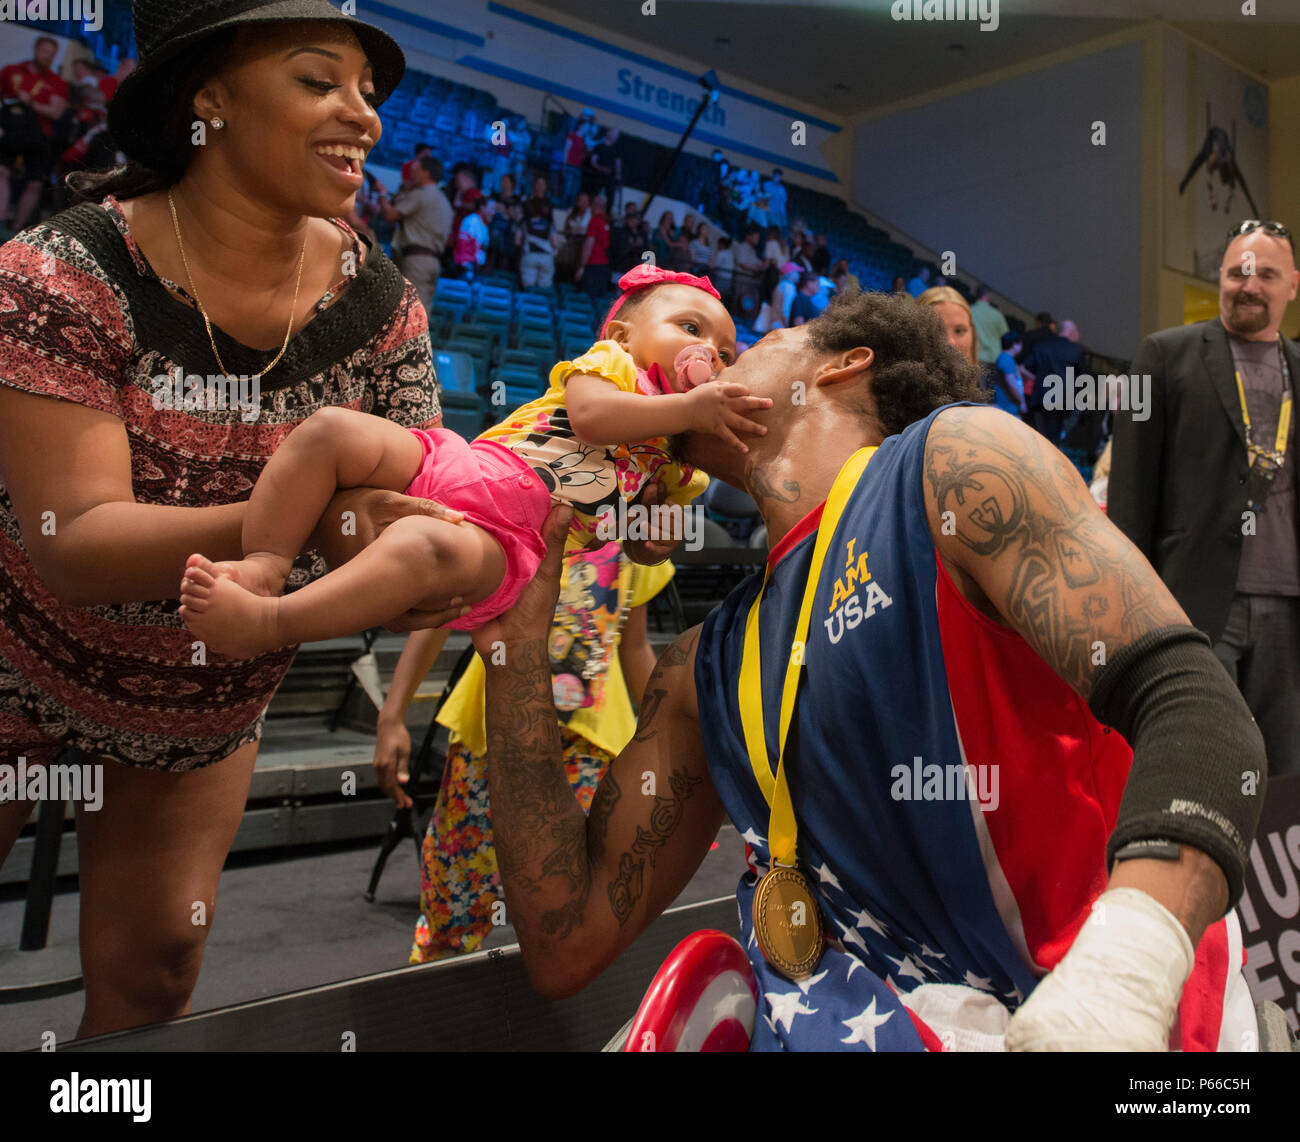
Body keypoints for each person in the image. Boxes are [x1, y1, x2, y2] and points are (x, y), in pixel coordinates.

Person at [469, 287, 1267, 1053]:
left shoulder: (954, 466)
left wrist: (1124, 974)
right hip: (880, 1022)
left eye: (744, 346)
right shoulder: (697, 669)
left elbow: (1196, 709)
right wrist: (513, 648)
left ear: (839, 367)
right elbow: (565, 941)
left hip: (1098, 1005)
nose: (711, 361)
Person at [0, 0, 465, 1039]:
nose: (365, 116)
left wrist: (410, 543)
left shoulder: (382, 304)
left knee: (157, 970)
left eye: (370, 93)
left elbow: (394, 526)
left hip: (199, 687)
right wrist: (306, 512)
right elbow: (75, 542)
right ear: (207, 97)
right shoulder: (59, 272)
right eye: (318, 81)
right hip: (13, 649)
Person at [178, 266, 765, 657]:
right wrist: (689, 407)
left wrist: (652, 535)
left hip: (510, 542)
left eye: (723, 352)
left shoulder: (678, 461)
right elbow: (592, 420)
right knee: (333, 430)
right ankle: (264, 563)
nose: (707, 354)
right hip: (464, 465)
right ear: (622, 332)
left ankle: (272, 624)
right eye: (690, 329)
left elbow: (639, 541)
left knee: (422, 548)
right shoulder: (610, 367)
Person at [373, 543, 674, 961]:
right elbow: (439, 617)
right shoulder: (510, 509)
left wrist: (666, 737)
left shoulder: (633, 536)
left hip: (589, 745)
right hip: (491, 732)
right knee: (457, 884)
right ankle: (438, 992)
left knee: (583, 898)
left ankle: (574, 1003)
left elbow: (633, 645)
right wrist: (392, 715)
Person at [1110, 219, 1300, 777]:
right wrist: (1131, 608)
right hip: (1190, 602)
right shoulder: (1164, 355)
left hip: (1289, 607)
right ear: (1219, 277)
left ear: (1292, 284)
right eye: (1238, 271)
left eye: (1267, 274)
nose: (1250, 284)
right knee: (1200, 766)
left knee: (1285, 774)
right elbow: (1130, 494)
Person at [0, 36, 69, 232]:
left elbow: (56, 112)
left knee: (35, 184)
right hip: (12, 131)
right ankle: (1, 221)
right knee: (2, 172)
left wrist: (31, 102)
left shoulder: (57, 82)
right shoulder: (12, 71)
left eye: (51, 54)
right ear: (36, 49)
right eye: (44, 51)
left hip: (40, 137)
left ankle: (16, 228)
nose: (47, 56)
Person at [374, 154, 452, 309]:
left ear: (426, 173)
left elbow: (391, 215)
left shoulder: (422, 194)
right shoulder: (444, 201)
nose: (412, 174)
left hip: (416, 261)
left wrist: (382, 193)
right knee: (421, 310)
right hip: (433, 261)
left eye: (415, 170)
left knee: (409, 310)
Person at [1022, 315, 1083, 443]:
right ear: (1071, 332)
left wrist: (1038, 379)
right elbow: (1082, 377)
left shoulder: (1042, 347)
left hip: (1040, 397)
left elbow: (1025, 367)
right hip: (1062, 399)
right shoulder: (1076, 350)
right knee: (1054, 438)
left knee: (1039, 436)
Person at [520, 178, 560, 289]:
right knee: (544, 290)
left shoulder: (525, 223)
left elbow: (517, 240)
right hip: (546, 256)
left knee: (528, 288)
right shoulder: (549, 224)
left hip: (529, 255)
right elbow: (556, 242)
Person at [574, 192, 611, 298]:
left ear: (593, 206)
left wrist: (581, 267)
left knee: (586, 299)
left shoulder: (595, 221)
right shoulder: (607, 222)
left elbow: (588, 245)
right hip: (604, 267)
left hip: (593, 266)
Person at [452, 194, 491, 281]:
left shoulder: (484, 223)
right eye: (490, 208)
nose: (492, 211)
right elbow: (462, 243)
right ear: (482, 207)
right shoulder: (472, 220)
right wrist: (464, 264)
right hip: (466, 265)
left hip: (477, 265)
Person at [970, 283, 1009, 366]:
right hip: (992, 358)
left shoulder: (969, 311)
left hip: (971, 356)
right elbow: (1006, 337)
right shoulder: (997, 315)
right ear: (988, 296)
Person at [583, 126, 622, 210]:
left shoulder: (616, 149)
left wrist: (618, 175)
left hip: (610, 177)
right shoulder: (599, 147)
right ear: (609, 132)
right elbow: (593, 161)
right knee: (594, 193)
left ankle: (607, 213)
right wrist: (601, 168)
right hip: (599, 176)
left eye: (617, 135)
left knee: (610, 197)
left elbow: (618, 163)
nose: (616, 136)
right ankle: (589, 209)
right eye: (614, 134)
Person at [992, 330, 1028, 417]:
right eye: (1020, 343)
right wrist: (1021, 401)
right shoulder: (1006, 359)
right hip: (1006, 407)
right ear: (1014, 344)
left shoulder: (1006, 358)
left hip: (1008, 406)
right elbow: (1011, 382)